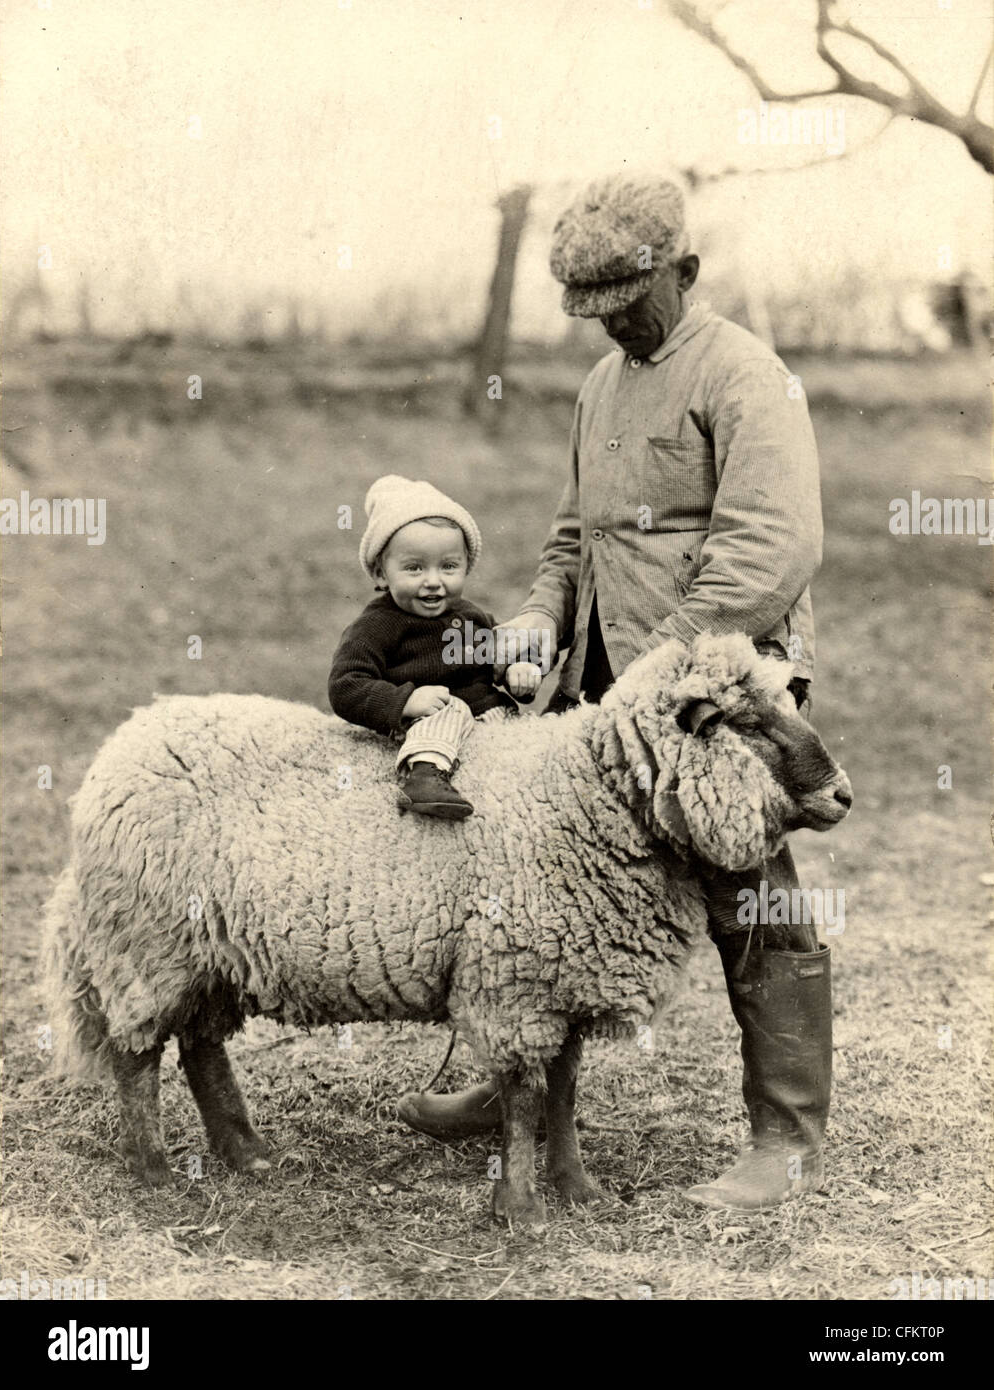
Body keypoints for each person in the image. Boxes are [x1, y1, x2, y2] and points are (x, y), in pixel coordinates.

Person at [399, 175, 832, 1212]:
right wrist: (544, 616)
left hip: (712, 698)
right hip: (605, 685)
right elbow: (570, 534)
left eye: (630, 302)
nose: (615, 325)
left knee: (754, 897)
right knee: (555, 901)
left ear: (685, 269)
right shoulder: (604, 386)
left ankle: (784, 1136)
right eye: (594, 310)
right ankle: (507, 1082)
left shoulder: (743, 376)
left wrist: (669, 667)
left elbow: (771, 547)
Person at [328, 474, 542, 819]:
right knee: (450, 709)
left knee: (525, 732)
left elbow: (499, 654)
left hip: (485, 719)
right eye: (414, 568)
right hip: (424, 723)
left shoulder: (471, 616)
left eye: (448, 567)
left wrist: (519, 671)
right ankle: (424, 777)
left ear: (466, 566)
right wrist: (406, 700)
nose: (433, 581)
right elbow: (345, 685)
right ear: (382, 575)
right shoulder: (377, 625)